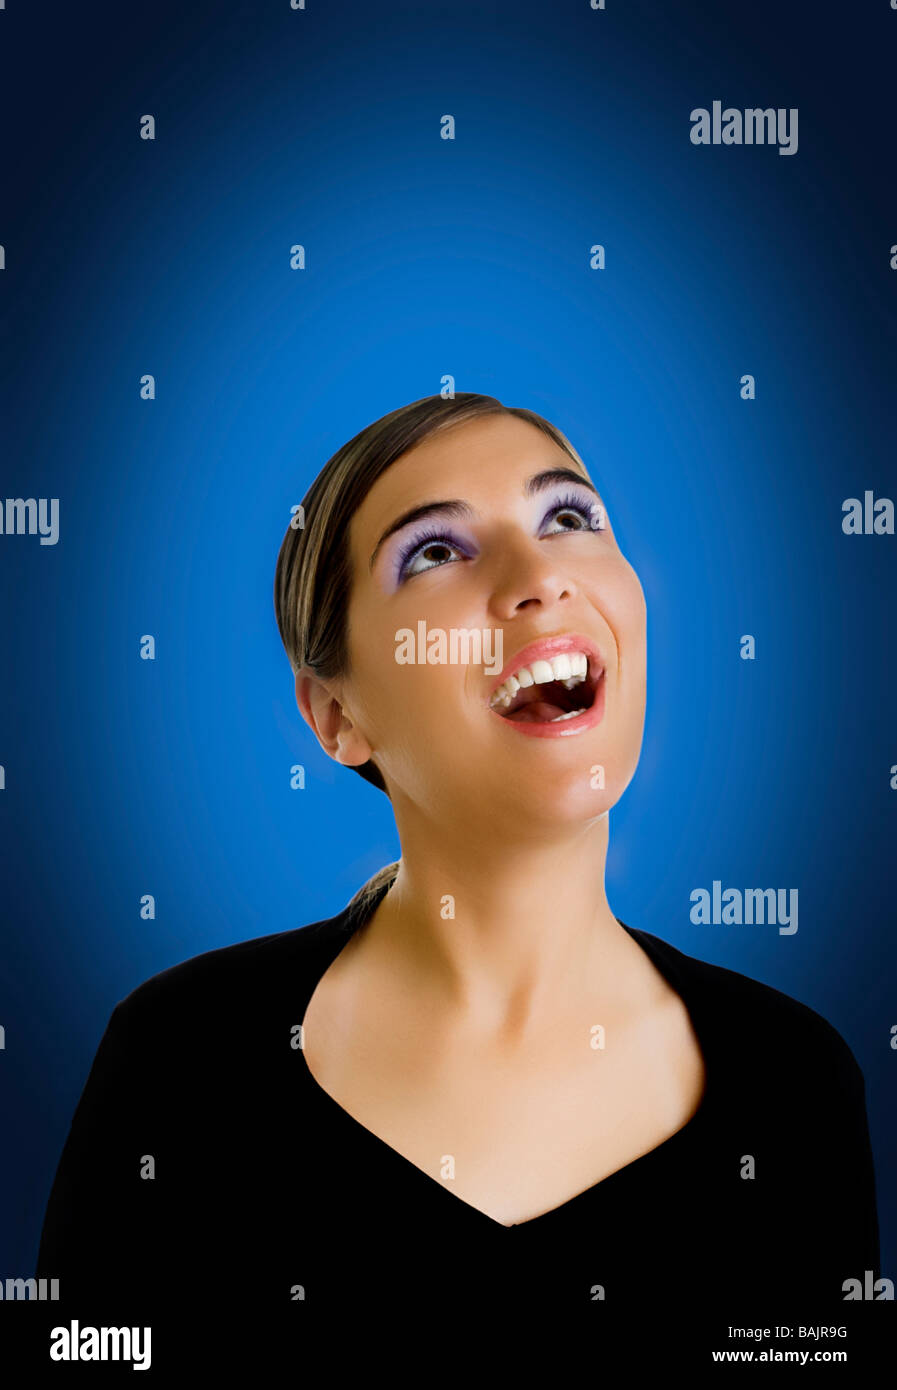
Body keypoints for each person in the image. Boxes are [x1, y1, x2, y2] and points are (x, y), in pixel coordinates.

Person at [34, 393, 881, 1367]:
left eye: (568, 517)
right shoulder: (176, 1060)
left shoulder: (797, 1083)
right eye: (435, 550)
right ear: (337, 715)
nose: (540, 576)